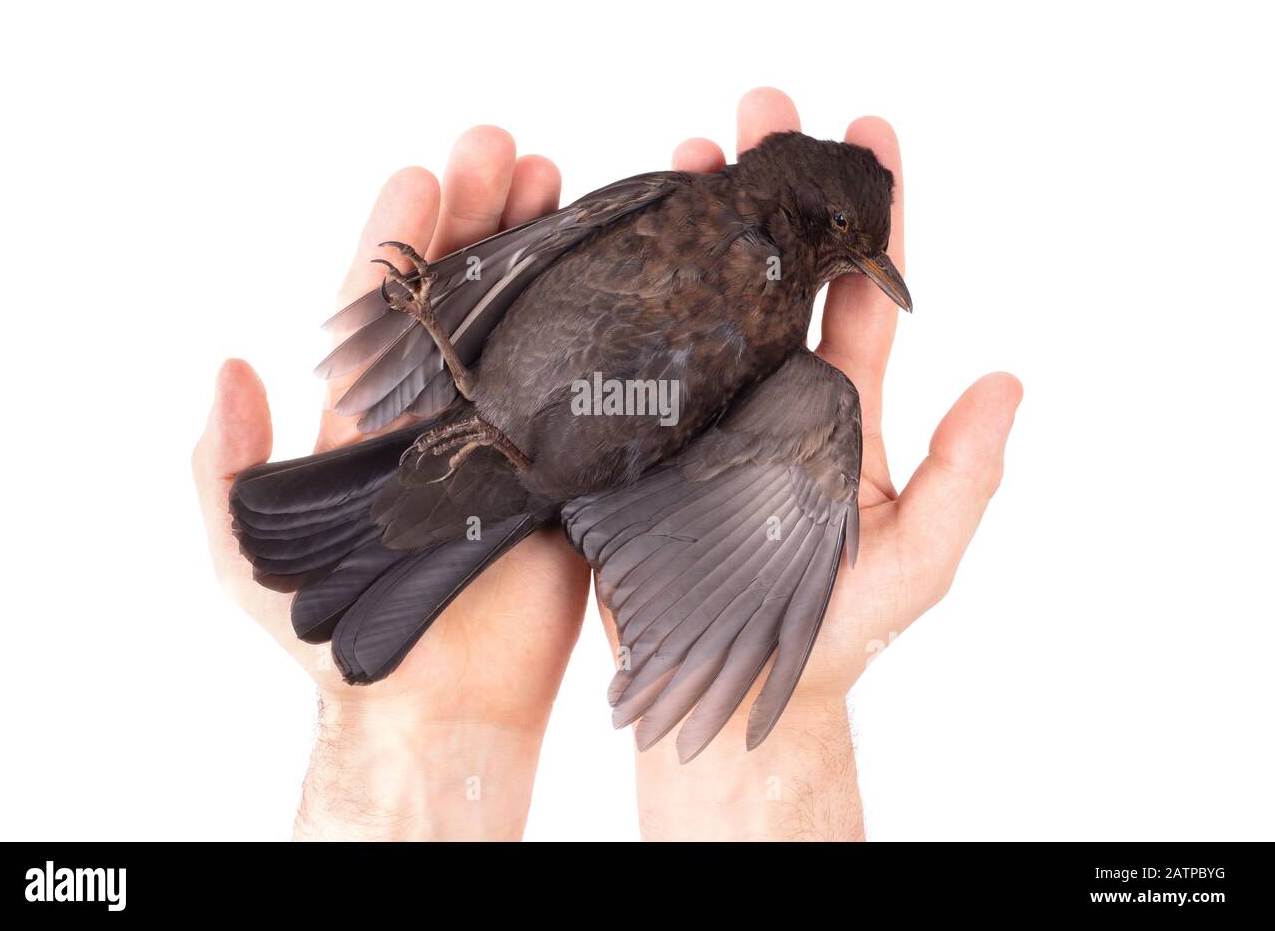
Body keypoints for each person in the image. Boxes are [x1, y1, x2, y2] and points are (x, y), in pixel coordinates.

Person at [191, 87, 1022, 841]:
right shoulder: (672, 200)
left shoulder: (789, 368)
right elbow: (542, 249)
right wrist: (435, 320)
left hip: (539, 474)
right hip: (487, 415)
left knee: (827, 412)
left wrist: (761, 715)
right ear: (802, 205)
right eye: (850, 238)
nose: (866, 265)